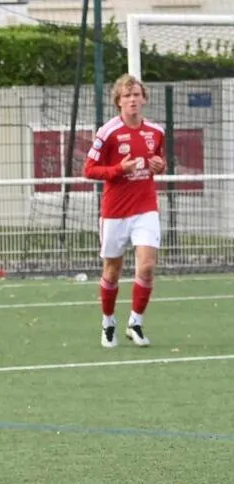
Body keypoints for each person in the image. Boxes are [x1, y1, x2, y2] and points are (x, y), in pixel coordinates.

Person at [84, 73, 166, 348]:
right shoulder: (107, 132)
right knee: (112, 271)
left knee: (147, 266)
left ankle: (136, 322)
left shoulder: (156, 132)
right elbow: (89, 170)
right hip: (115, 212)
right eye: (127, 95)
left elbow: (159, 160)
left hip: (145, 208)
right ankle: (108, 322)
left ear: (144, 99)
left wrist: (159, 165)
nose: (132, 100)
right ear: (118, 101)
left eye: (136, 95)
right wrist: (120, 169)